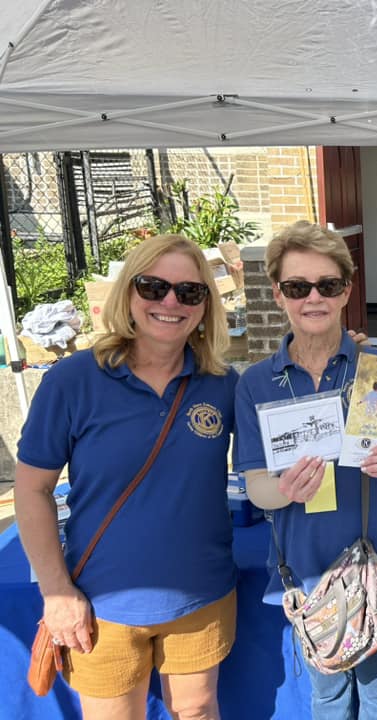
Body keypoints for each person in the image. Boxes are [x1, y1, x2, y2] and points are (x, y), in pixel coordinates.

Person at [15, 234, 238, 719]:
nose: (171, 302)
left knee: (198, 710)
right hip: (102, 603)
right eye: (153, 286)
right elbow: (31, 489)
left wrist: (332, 352)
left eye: (189, 292)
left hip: (202, 592)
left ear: (205, 305)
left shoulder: (222, 383)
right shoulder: (72, 381)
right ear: (128, 294)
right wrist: (56, 592)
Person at [233, 221, 377, 720]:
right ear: (278, 294)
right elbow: (255, 484)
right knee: (328, 697)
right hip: (308, 565)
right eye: (299, 287)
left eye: (328, 285)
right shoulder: (258, 383)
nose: (314, 298)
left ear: (347, 291)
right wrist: (283, 490)